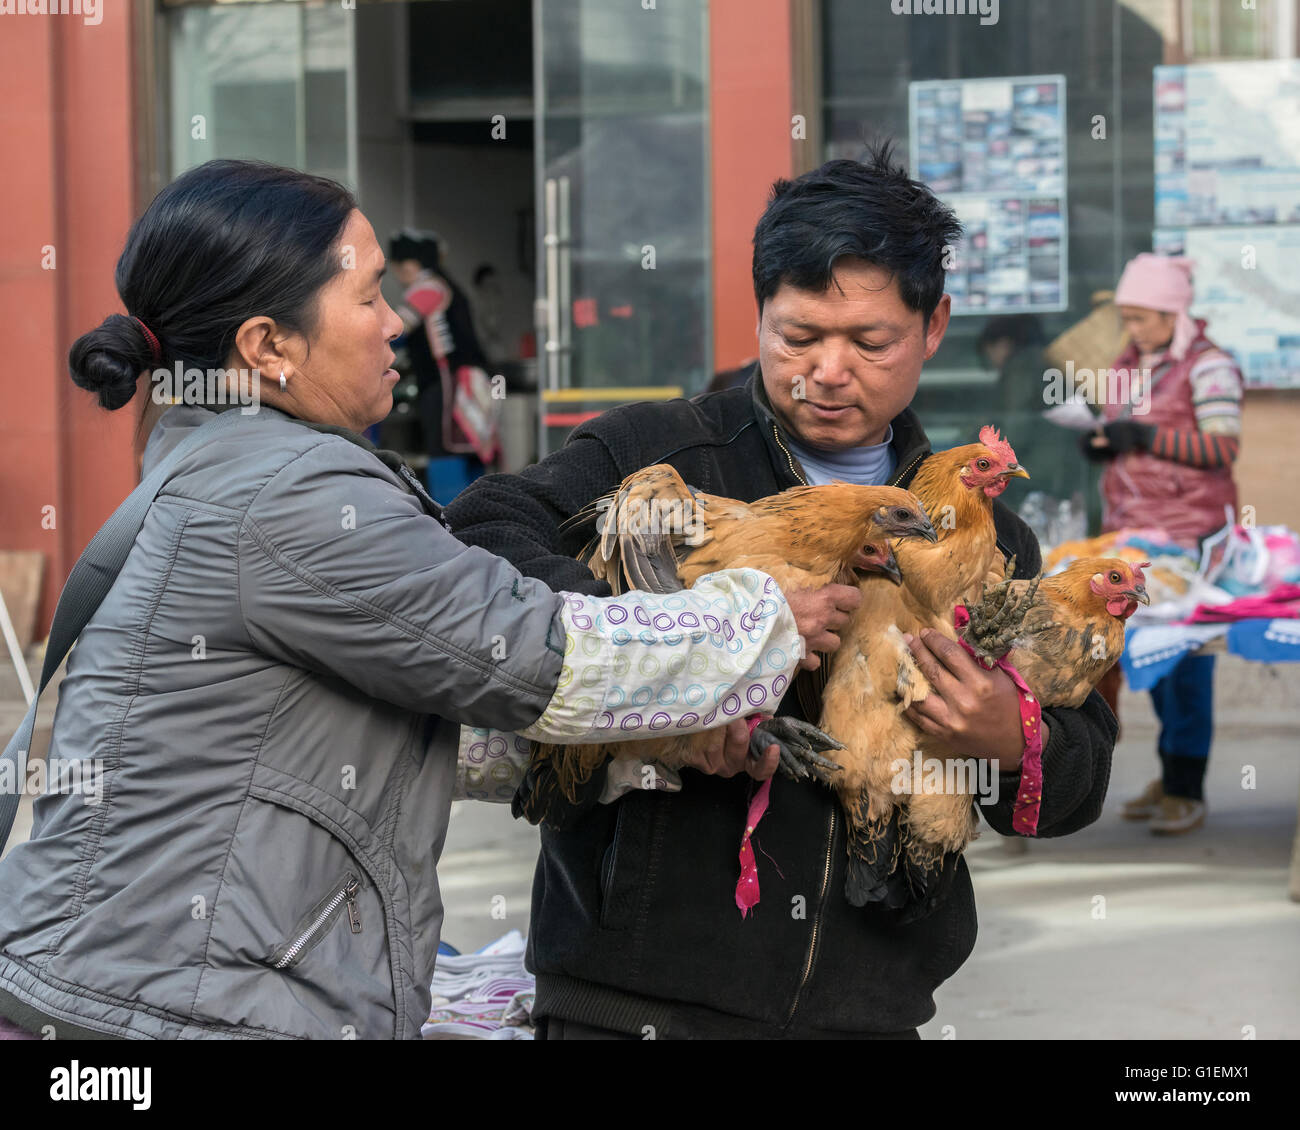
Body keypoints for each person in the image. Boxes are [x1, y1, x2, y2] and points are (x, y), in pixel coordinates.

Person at [0, 160, 857, 1040]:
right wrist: (757, 622)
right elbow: (534, 656)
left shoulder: (220, 462)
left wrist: (656, 739)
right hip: (169, 1011)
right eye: (369, 297)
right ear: (268, 347)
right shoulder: (285, 490)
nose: (398, 323)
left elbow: (402, 718)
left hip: (125, 998)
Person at [445, 146, 1117, 1040]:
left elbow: (1079, 775)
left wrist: (1009, 735)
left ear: (934, 326)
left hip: (867, 1010)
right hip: (632, 1002)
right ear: (758, 312)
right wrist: (676, 657)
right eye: (797, 336)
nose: (827, 372)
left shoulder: (984, 539)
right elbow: (483, 530)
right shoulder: (663, 453)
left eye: (869, 342)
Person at [1081, 253, 1244, 836]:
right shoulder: (1130, 363)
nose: (1135, 330)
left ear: (1175, 312)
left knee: (1184, 656)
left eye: (1145, 317)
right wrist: (1105, 441)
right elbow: (1121, 431)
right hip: (1133, 531)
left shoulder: (1211, 366)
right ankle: (1170, 773)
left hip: (1190, 533)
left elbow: (1222, 448)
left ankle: (1186, 784)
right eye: (1127, 317)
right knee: (1146, 653)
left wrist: (1143, 436)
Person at [388, 230, 494, 495]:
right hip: (467, 382)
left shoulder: (428, 288)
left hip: (448, 385)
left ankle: (451, 519)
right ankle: (477, 518)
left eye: (397, 270)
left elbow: (396, 331)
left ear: (411, 265)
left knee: (445, 449)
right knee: (468, 451)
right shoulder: (447, 286)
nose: (399, 278)